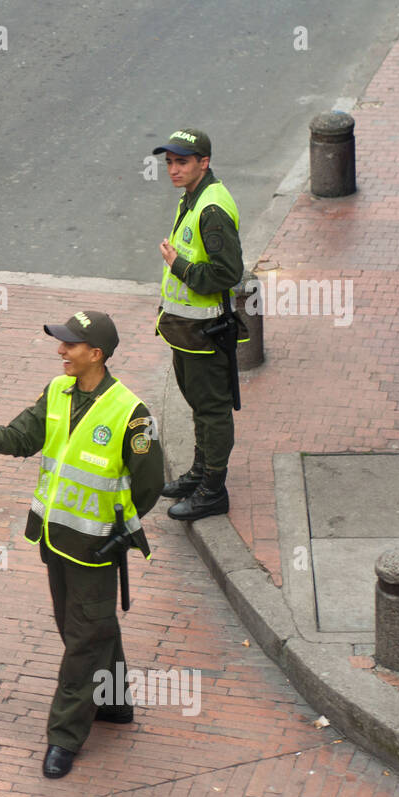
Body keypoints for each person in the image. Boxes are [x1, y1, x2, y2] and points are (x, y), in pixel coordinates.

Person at [0, 311, 163, 778]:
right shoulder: (57, 392)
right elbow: (28, 434)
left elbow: (150, 484)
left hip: (97, 546)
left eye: (69, 345)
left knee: (82, 639)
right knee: (85, 627)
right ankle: (115, 703)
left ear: (95, 354)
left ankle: (64, 735)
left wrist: (120, 532)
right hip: (56, 538)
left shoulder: (131, 413)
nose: (60, 351)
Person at [152, 128, 245, 521]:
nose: (173, 169)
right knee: (198, 405)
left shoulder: (211, 208)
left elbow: (228, 273)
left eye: (182, 162)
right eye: (170, 162)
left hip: (206, 333)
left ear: (203, 163)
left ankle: (213, 490)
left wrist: (180, 266)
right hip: (186, 331)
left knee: (212, 411)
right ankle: (199, 473)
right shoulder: (191, 196)